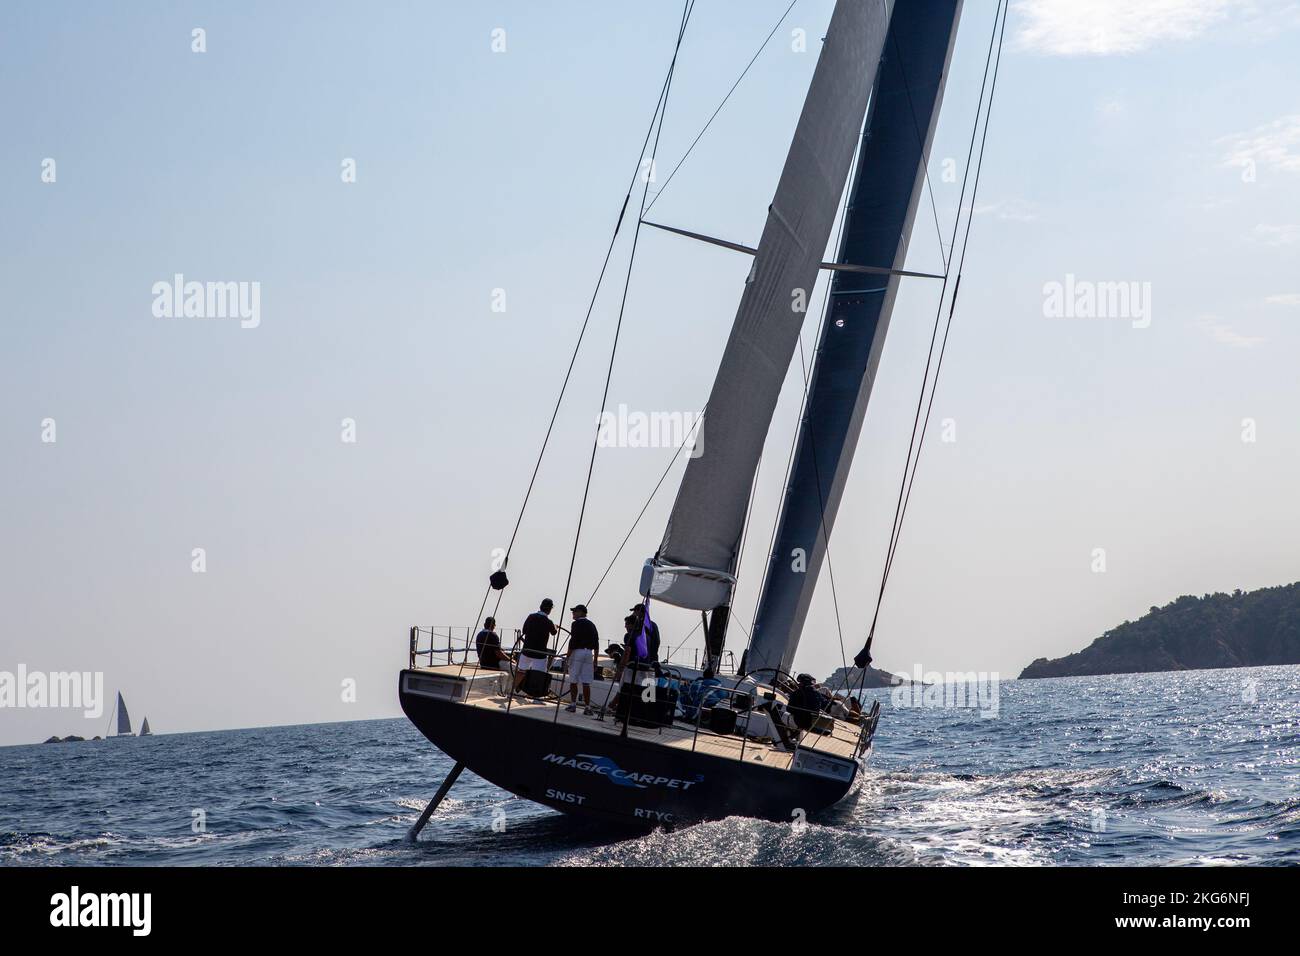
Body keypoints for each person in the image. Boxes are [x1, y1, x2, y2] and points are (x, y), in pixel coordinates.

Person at [515, 599, 558, 696]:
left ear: (540, 606)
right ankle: (536, 696)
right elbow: (554, 632)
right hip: (540, 654)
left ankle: (514, 691)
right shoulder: (548, 622)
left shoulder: (531, 617)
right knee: (539, 675)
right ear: (550, 610)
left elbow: (524, 630)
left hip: (527, 650)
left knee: (521, 671)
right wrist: (555, 626)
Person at [565, 604, 599, 715]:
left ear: (581, 612)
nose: (573, 614)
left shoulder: (576, 624)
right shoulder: (592, 625)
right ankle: (587, 707)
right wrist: (595, 660)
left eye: (574, 611)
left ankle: (573, 704)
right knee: (586, 681)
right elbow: (596, 643)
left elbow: (573, 641)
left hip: (578, 652)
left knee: (573, 679)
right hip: (589, 653)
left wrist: (568, 656)